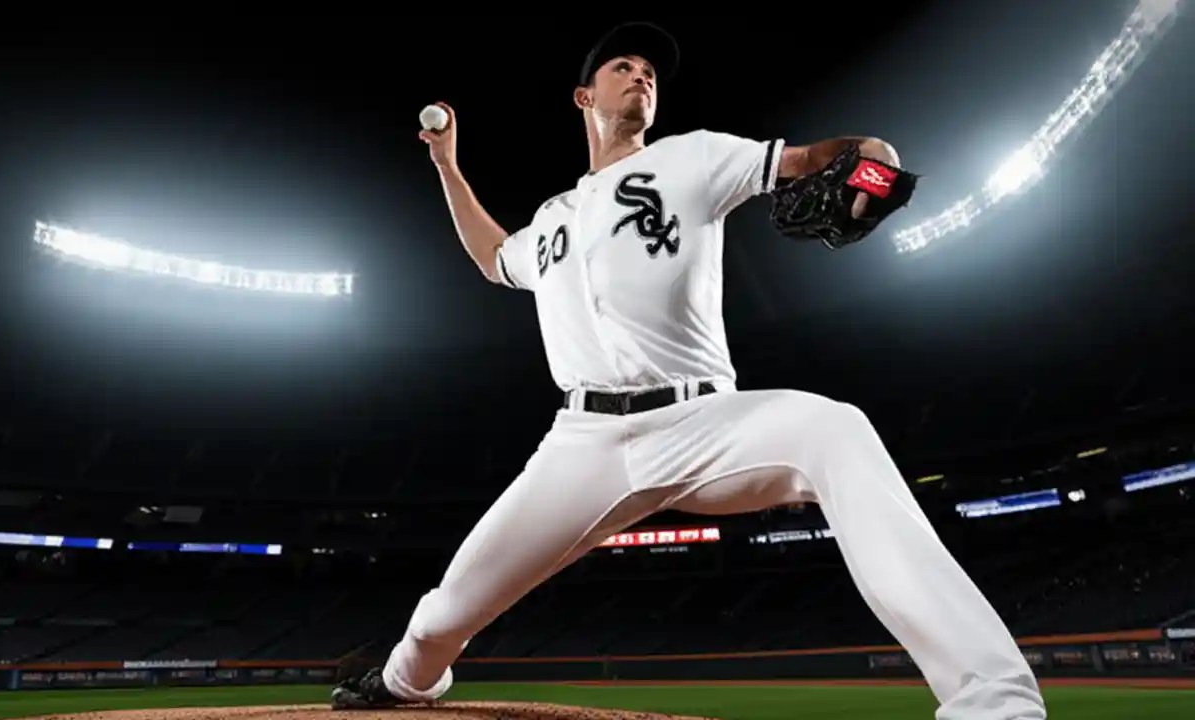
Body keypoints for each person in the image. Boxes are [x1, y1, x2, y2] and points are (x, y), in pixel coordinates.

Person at [331, 21, 1047, 720]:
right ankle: (405, 684)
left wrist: (875, 161)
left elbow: (823, 155)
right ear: (584, 97)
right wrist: (448, 168)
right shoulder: (551, 219)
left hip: (703, 422)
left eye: (649, 71)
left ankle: (995, 700)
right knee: (438, 620)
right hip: (582, 444)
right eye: (622, 67)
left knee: (834, 430)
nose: (642, 74)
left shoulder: (693, 157)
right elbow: (493, 258)